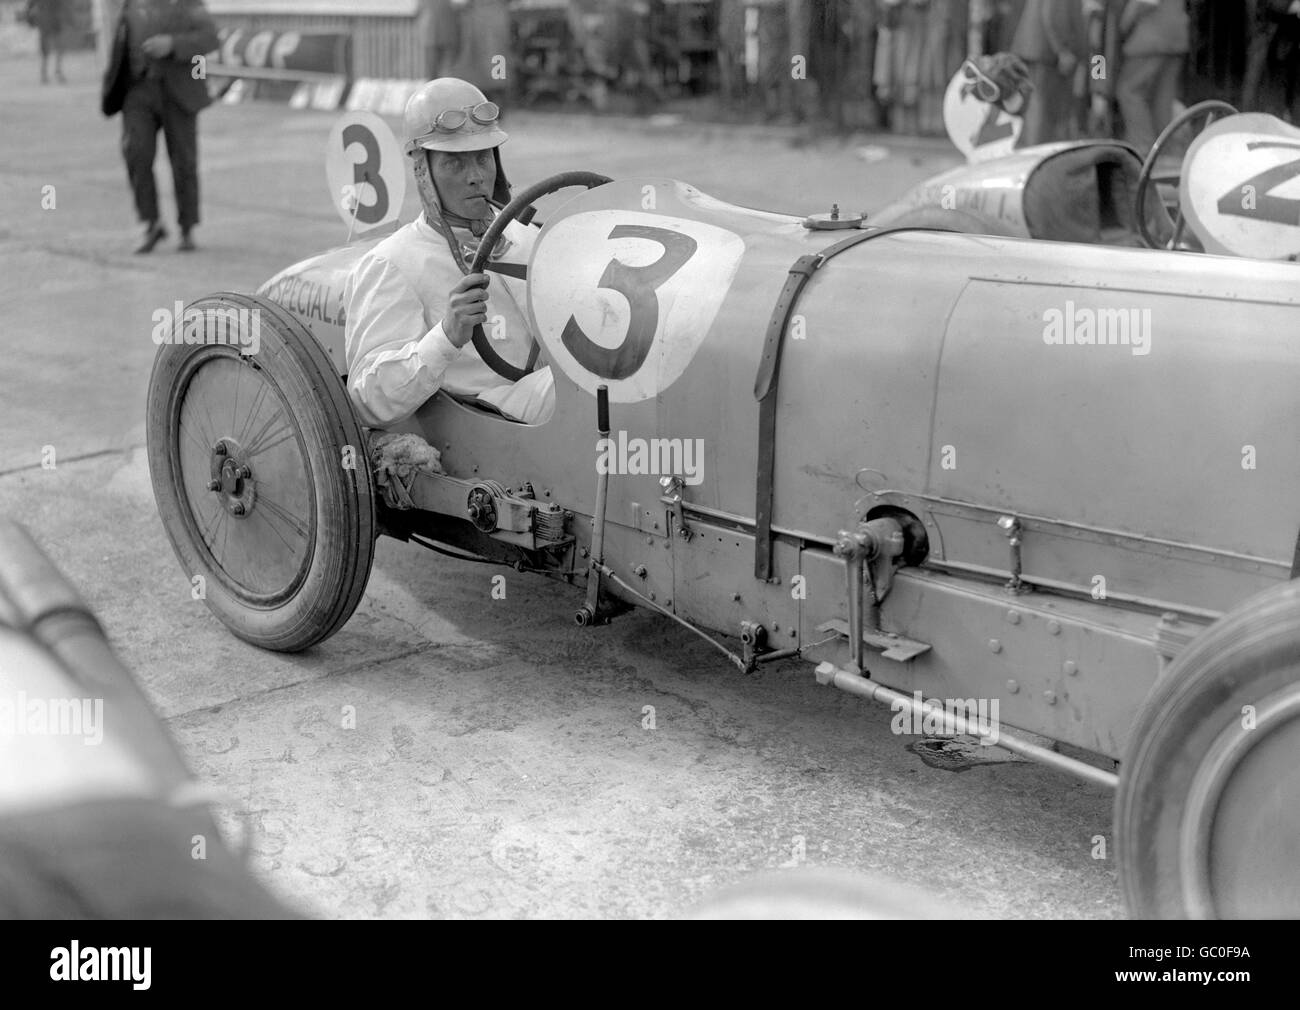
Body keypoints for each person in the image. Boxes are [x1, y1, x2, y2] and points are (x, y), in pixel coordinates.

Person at [344, 78, 554, 429]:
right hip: (483, 424)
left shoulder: (529, 238)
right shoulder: (392, 263)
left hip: (547, 402)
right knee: (594, 388)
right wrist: (446, 335)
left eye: (483, 159)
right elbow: (368, 401)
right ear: (423, 172)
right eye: (454, 163)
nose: (475, 177)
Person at [100, 0, 219, 254]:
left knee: (183, 161)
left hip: (178, 93)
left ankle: (187, 227)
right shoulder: (129, 5)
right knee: (136, 154)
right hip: (138, 92)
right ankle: (150, 223)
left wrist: (173, 45)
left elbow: (210, 38)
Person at [1113, 0, 1189, 153]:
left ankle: (1144, 148)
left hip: (1140, 43)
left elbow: (1098, 52)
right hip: (1173, 37)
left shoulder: (1098, 16)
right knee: (1161, 99)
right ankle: (1165, 151)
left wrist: (1098, 92)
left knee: (1129, 91)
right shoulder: (1098, 15)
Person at [24, 0, 66, 84]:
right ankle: (47, 73)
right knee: (48, 49)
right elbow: (30, 7)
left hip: (52, 21)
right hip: (47, 21)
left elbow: (30, 7)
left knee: (56, 48)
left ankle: (53, 72)